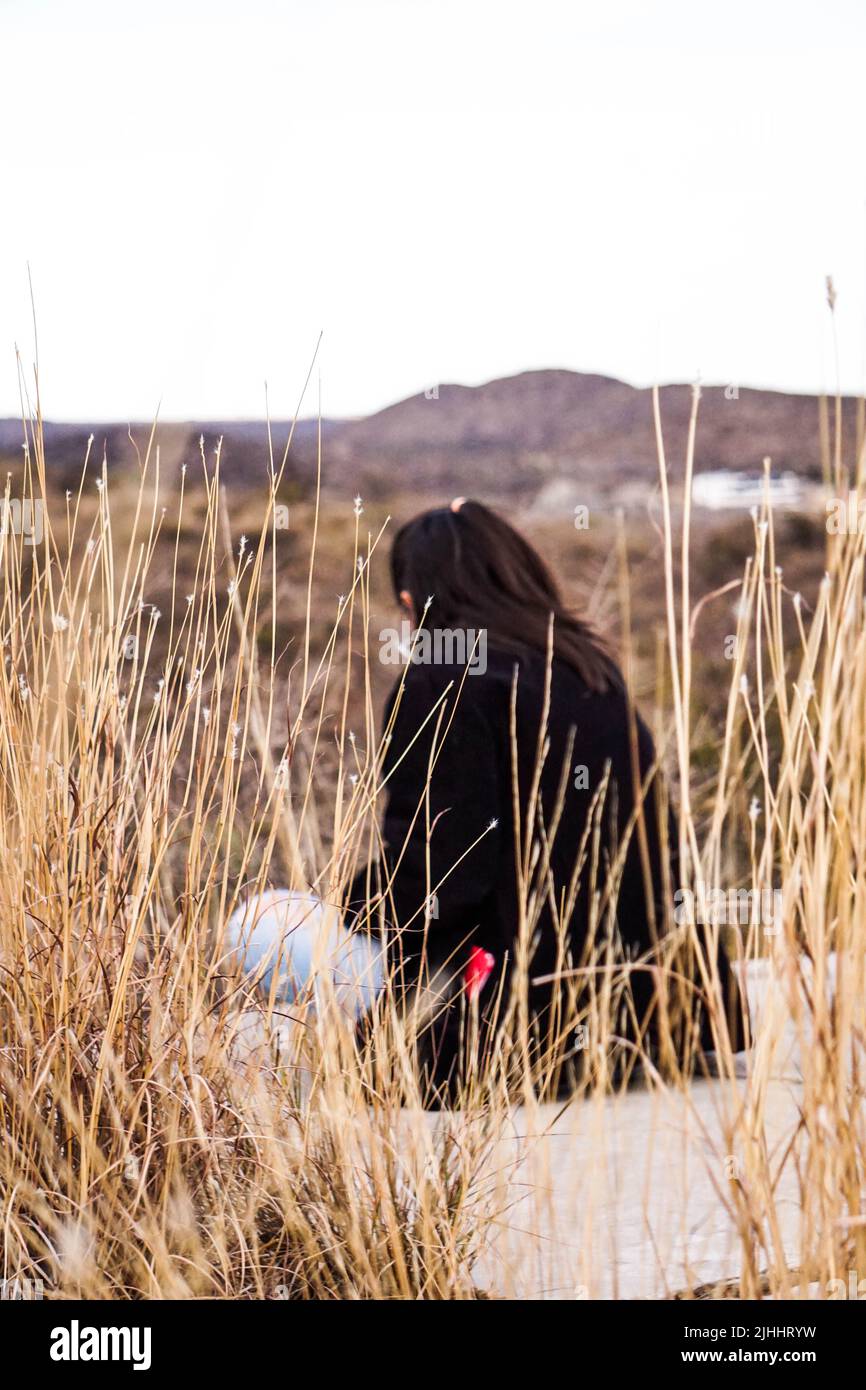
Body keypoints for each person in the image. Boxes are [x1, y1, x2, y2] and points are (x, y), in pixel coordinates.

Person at [229, 499, 744, 1099]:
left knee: (261, 923)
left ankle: (397, 1042)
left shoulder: (439, 682)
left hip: (517, 1021)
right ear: (520, 575)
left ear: (411, 602)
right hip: (659, 1007)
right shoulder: (590, 668)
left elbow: (442, 879)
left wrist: (350, 907)